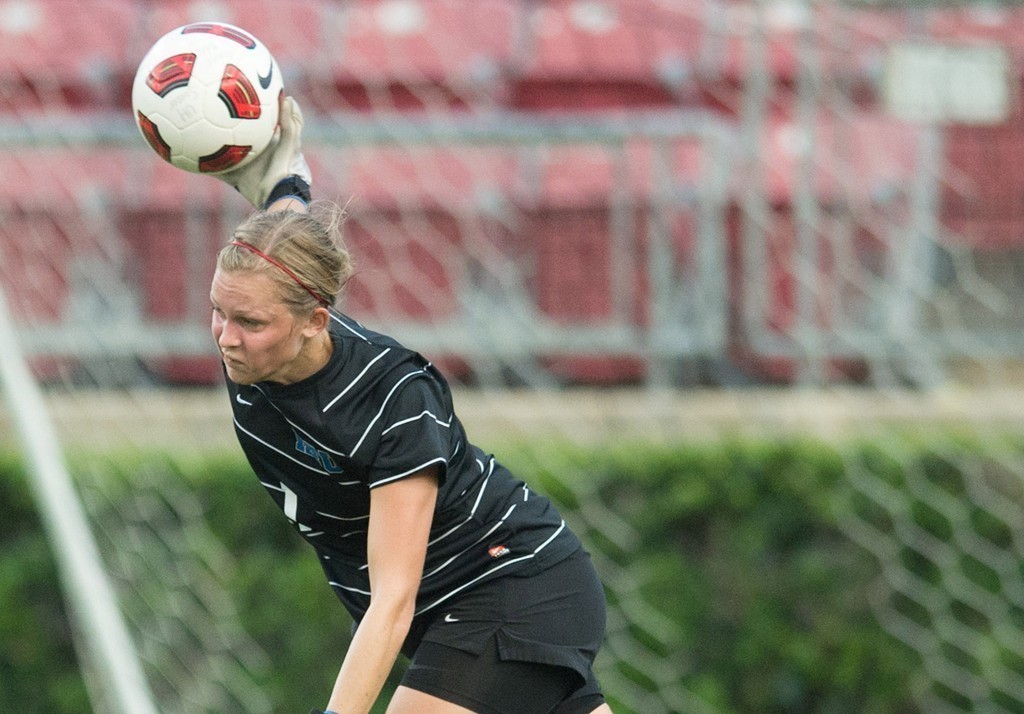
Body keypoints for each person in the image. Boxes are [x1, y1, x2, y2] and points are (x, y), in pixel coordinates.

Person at [208, 97, 614, 714]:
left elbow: (392, 597)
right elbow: (284, 237)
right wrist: (286, 178)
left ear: (316, 320)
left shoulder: (394, 397)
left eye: (249, 321)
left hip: (508, 585)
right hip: (446, 614)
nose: (226, 336)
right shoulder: (262, 317)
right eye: (218, 311)